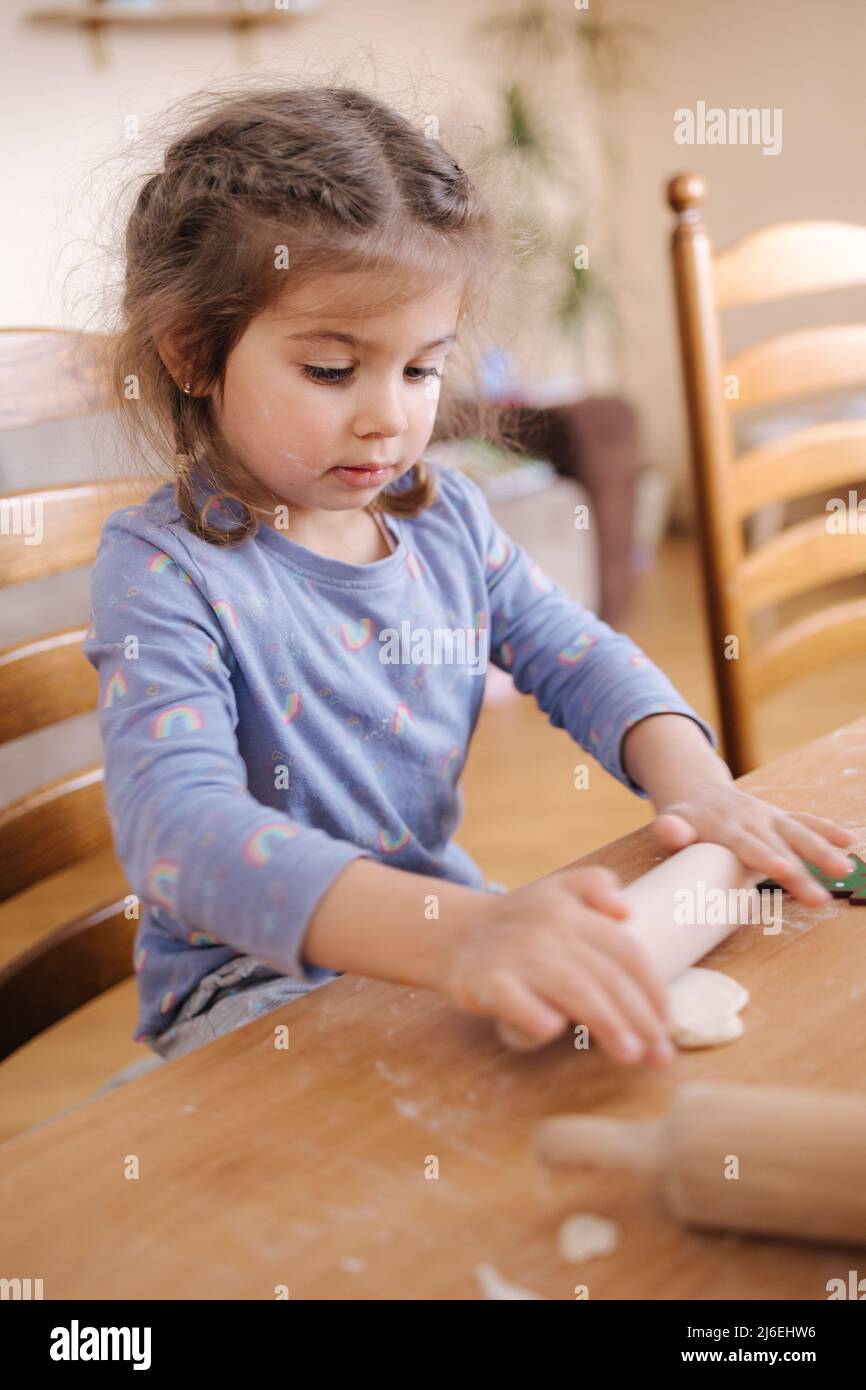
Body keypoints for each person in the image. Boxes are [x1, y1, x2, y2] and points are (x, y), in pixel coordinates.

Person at [84, 83, 858, 1079]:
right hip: (251, 999)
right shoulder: (162, 571)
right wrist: (456, 933)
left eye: (418, 369)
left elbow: (581, 658)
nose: (387, 419)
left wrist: (698, 789)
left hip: (441, 941)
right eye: (331, 370)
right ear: (194, 352)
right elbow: (182, 832)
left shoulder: (444, 518)